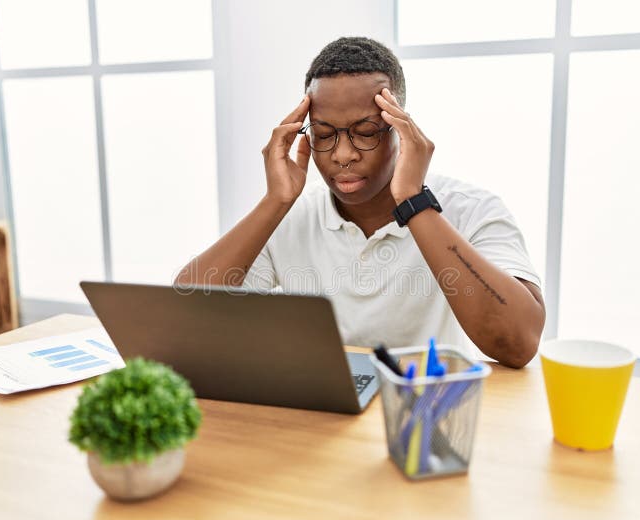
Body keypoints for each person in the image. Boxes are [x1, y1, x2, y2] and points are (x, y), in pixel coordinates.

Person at [176, 37, 545, 368]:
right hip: (324, 421)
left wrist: (413, 202)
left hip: (422, 414)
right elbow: (181, 318)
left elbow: (517, 343)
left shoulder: (471, 209)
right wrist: (275, 201)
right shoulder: (291, 217)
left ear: (402, 129)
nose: (343, 154)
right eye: (323, 135)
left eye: (366, 133)